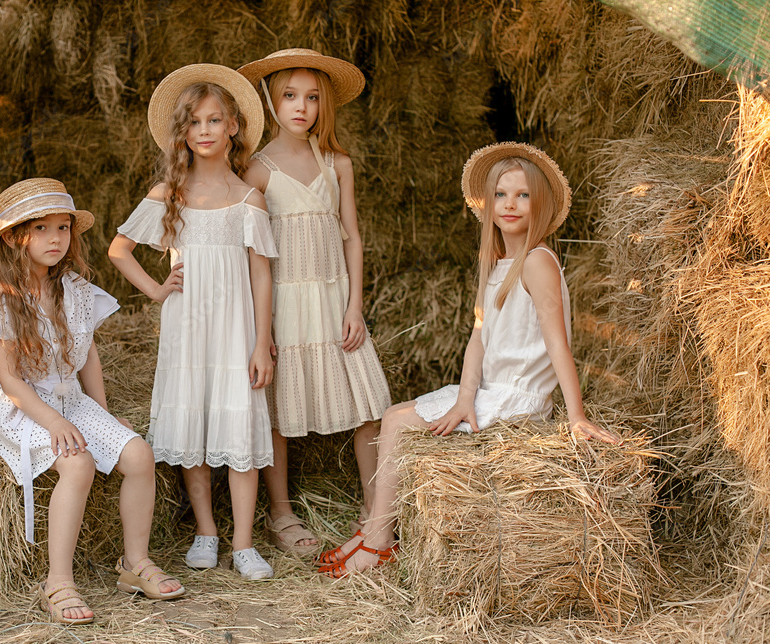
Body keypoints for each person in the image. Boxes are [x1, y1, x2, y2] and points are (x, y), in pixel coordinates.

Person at [317, 142, 620, 578]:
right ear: (488, 202)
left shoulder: (537, 262)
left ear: (541, 203)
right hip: (489, 391)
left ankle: (378, 540)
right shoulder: (497, 261)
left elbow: (558, 345)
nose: (510, 204)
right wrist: (463, 398)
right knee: (395, 414)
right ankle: (375, 532)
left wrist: (575, 416)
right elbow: (478, 336)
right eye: (500, 194)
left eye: (523, 195)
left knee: (397, 423)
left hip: (518, 398)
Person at [0, 178, 184, 624]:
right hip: (23, 405)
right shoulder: (3, 299)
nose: (55, 239)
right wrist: (55, 424)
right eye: (40, 228)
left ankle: (134, 564)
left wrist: (98, 410)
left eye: (63, 228)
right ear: (11, 238)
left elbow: (88, 356)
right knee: (77, 463)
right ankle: (58, 582)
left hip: (72, 399)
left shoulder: (75, 289)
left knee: (139, 453)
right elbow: (10, 381)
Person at [108, 64, 278, 580]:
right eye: (194, 123)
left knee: (239, 433)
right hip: (187, 329)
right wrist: (159, 291)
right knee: (195, 429)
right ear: (183, 133)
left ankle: (244, 544)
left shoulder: (249, 199)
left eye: (214, 120)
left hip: (235, 332)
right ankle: (206, 531)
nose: (204, 130)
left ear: (233, 127)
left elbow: (262, 277)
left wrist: (262, 342)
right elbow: (119, 250)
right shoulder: (170, 194)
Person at [236, 49, 391, 556]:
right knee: (277, 412)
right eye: (290, 95)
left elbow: (353, 238)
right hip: (282, 304)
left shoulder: (336, 163)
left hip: (332, 297)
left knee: (367, 403)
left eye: (312, 97)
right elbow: (242, 242)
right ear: (270, 101)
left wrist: (354, 306)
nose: (301, 106)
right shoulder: (256, 170)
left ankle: (375, 507)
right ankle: (280, 514)